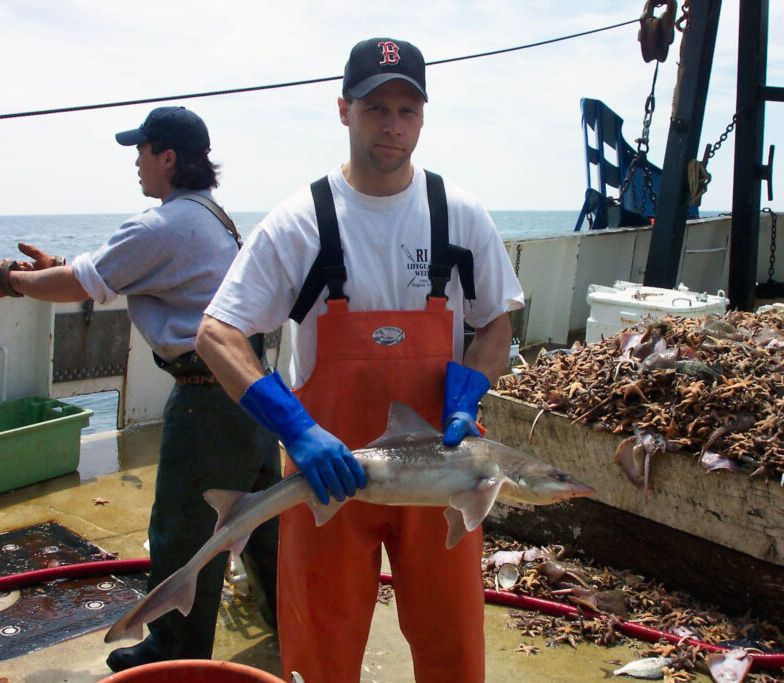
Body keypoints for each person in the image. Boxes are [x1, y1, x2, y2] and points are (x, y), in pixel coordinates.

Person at [195, 38, 524, 682]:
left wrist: (469, 391)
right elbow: (217, 334)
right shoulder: (300, 222)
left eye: (407, 110)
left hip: (441, 479)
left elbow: (495, 324)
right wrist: (297, 430)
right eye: (375, 108)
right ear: (344, 110)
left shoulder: (459, 215)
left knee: (454, 649)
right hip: (330, 479)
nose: (392, 125)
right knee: (319, 656)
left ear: (422, 118)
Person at [0, 106, 281, 673]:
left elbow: (79, 284)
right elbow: (123, 273)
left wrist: (5, 279)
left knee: (183, 529)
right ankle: (291, 618)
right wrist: (60, 267)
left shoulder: (163, 224)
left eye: (142, 151)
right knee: (260, 525)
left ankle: (174, 653)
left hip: (207, 400)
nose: (136, 162)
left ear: (168, 158)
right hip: (253, 392)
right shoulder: (213, 217)